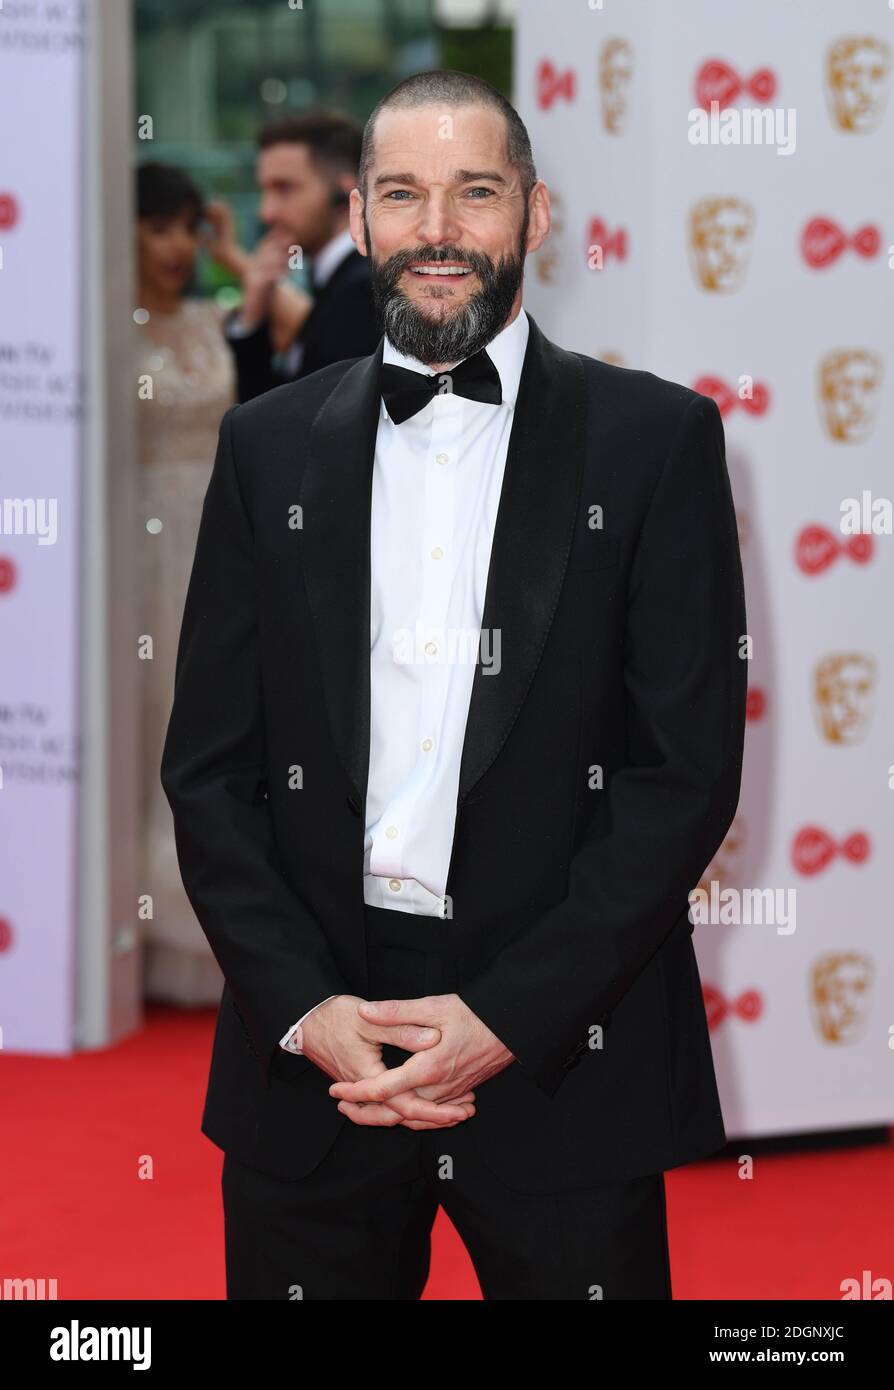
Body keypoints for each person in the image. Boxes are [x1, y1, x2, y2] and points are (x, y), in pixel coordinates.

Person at [161, 70, 747, 1300]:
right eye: (404, 194)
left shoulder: (654, 443)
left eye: (475, 192)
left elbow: (680, 776)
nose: (438, 229)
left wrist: (508, 1016)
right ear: (360, 220)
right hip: (316, 1069)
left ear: (534, 215)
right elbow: (212, 769)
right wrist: (306, 1004)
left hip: (564, 1051)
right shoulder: (265, 447)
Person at [135, 161, 233, 1007]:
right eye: (157, 226)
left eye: (186, 229)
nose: (175, 247)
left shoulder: (215, 315)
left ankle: (210, 934)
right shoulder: (99, 329)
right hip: (138, 554)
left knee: (216, 725)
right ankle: (136, 933)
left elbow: (323, 341)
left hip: (221, 545)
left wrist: (235, 262)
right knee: (150, 722)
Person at [206, 110, 379, 402]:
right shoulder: (340, 281)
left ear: (345, 195)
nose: (266, 212)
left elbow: (302, 432)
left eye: (284, 188)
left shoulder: (363, 291)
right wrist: (252, 317)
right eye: (264, 190)